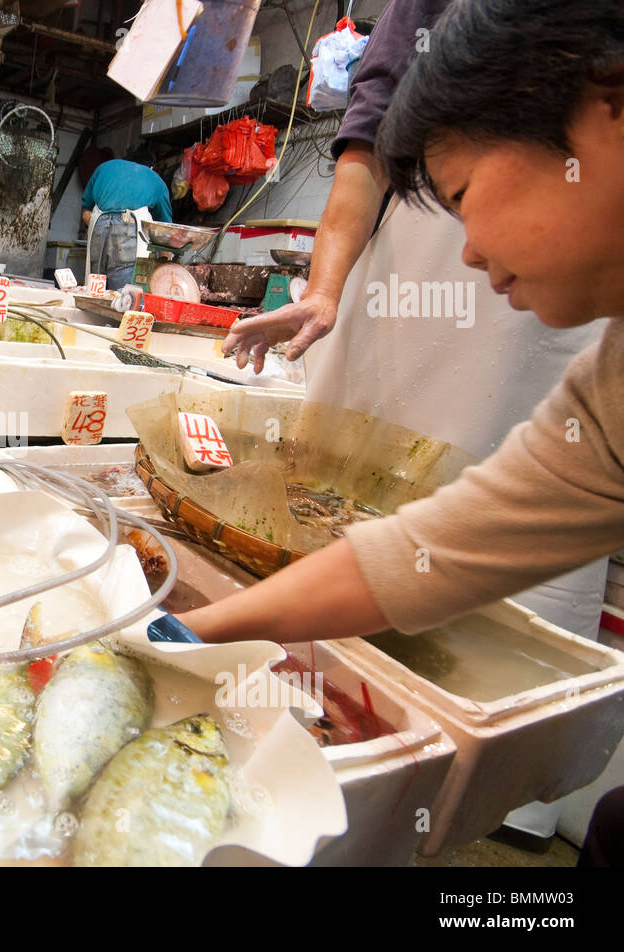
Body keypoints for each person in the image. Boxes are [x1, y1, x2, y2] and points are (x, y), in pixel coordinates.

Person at [177, 0, 624, 862]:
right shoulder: (607, 396)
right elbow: (428, 553)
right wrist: (180, 636)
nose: (463, 250)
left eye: (461, 197)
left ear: (605, 104)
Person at [221, 0, 606, 639]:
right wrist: (194, 634)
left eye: (464, 197)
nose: (470, 252)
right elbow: (441, 548)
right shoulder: (601, 408)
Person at [80, 150, 174, 288]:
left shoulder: (105, 167)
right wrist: (167, 264)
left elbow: (86, 212)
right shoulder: (155, 179)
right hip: (127, 233)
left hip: (98, 228)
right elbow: (165, 229)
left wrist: (104, 229)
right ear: (152, 168)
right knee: (124, 297)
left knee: (96, 290)